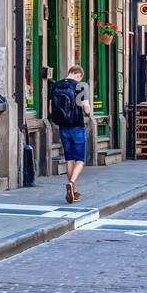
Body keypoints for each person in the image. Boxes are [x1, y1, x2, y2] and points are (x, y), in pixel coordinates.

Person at [49, 66, 92, 204]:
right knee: (79, 160)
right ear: (78, 74)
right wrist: (90, 114)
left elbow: (51, 107)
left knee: (69, 159)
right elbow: (86, 107)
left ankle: (73, 191)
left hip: (63, 127)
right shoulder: (80, 86)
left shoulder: (56, 85)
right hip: (76, 126)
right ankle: (72, 182)